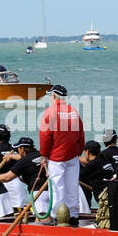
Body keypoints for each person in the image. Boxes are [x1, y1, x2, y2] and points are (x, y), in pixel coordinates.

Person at [38, 84, 85, 224]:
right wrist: (78, 152)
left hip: (56, 157)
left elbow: (45, 136)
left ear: (53, 96)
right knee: (72, 187)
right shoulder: (74, 112)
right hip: (72, 156)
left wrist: (43, 155)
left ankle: (56, 216)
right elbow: (81, 135)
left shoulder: (50, 112)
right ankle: (74, 216)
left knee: (57, 188)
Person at [0, 136, 44, 215]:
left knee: (42, 218)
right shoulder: (41, 154)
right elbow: (27, 159)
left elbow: (7, 177)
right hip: (51, 189)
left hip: (39, 193)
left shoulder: (23, 161)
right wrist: (11, 156)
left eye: (18, 149)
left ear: (22, 149)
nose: (17, 151)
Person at [79, 139, 118, 208]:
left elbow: (77, 176)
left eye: (84, 153)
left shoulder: (93, 165)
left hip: (105, 200)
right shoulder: (103, 160)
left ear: (87, 152)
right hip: (114, 196)